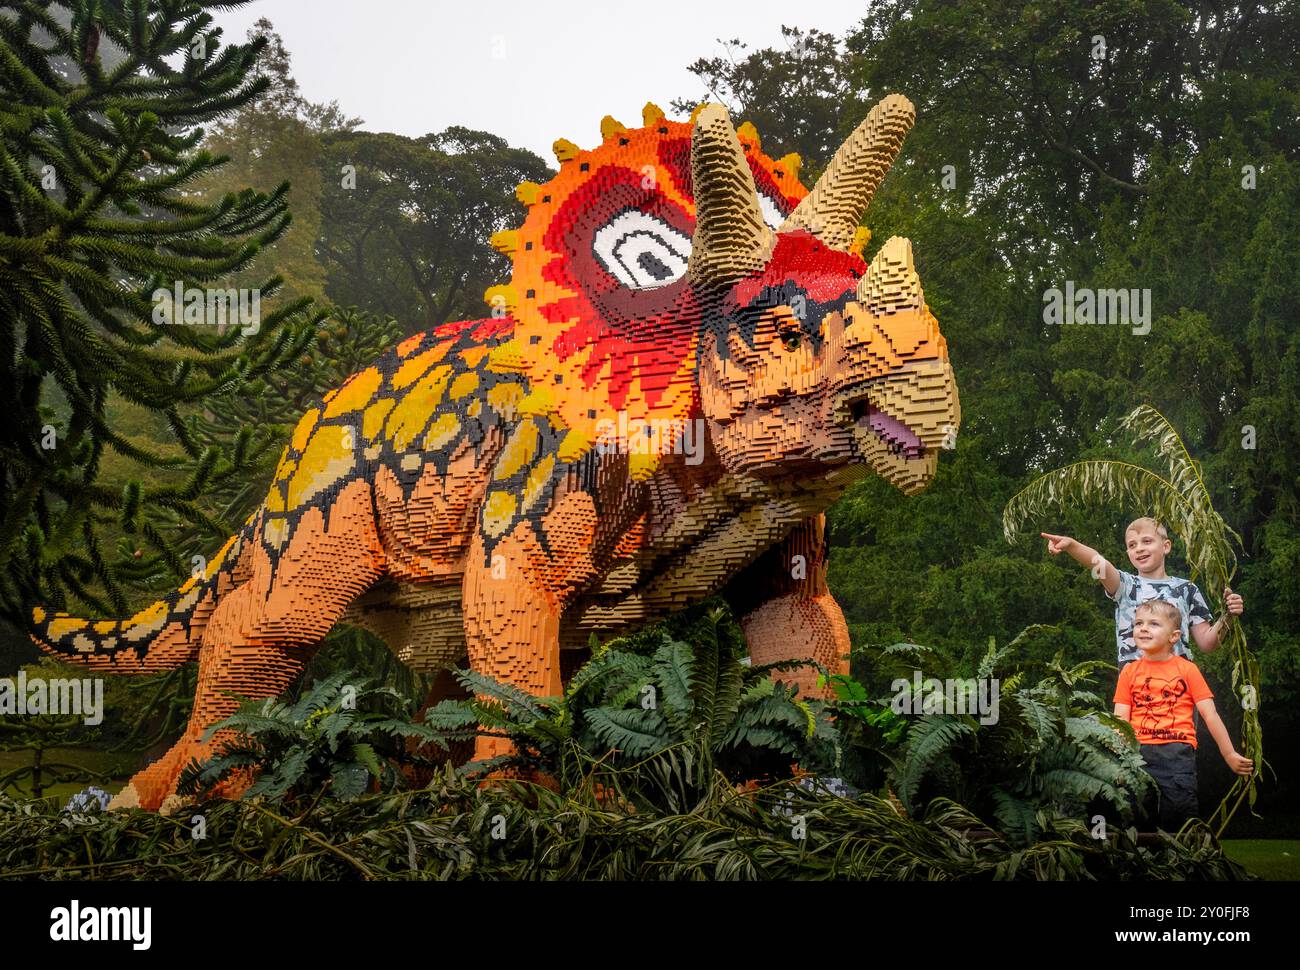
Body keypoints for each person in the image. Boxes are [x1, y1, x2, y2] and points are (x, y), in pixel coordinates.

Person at [1113, 600, 1252, 830]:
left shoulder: (1187, 669)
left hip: (1176, 754)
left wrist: (1229, 754)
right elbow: (1119, 721)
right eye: (1139, 623)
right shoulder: (1129, 672)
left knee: (1179, 819)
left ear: (1174, 636)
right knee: (1135, 819)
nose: (1143, 628)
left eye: (1154, 624)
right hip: (1136, 754)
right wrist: (1116, 761)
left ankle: (1179, 863)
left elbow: (1210, 715)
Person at [1041, 516, 1243, 667]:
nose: (1139, 548)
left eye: (1147, 541)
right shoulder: (1124, 585)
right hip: (1135, 690)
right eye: (1132, 545)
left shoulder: (1187, 589)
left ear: (1166, 546)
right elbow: (1097, 563)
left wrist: (1228, 616)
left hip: (1180, 689)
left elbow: (1208, 643)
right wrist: (1071, 546)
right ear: (1128, 552)